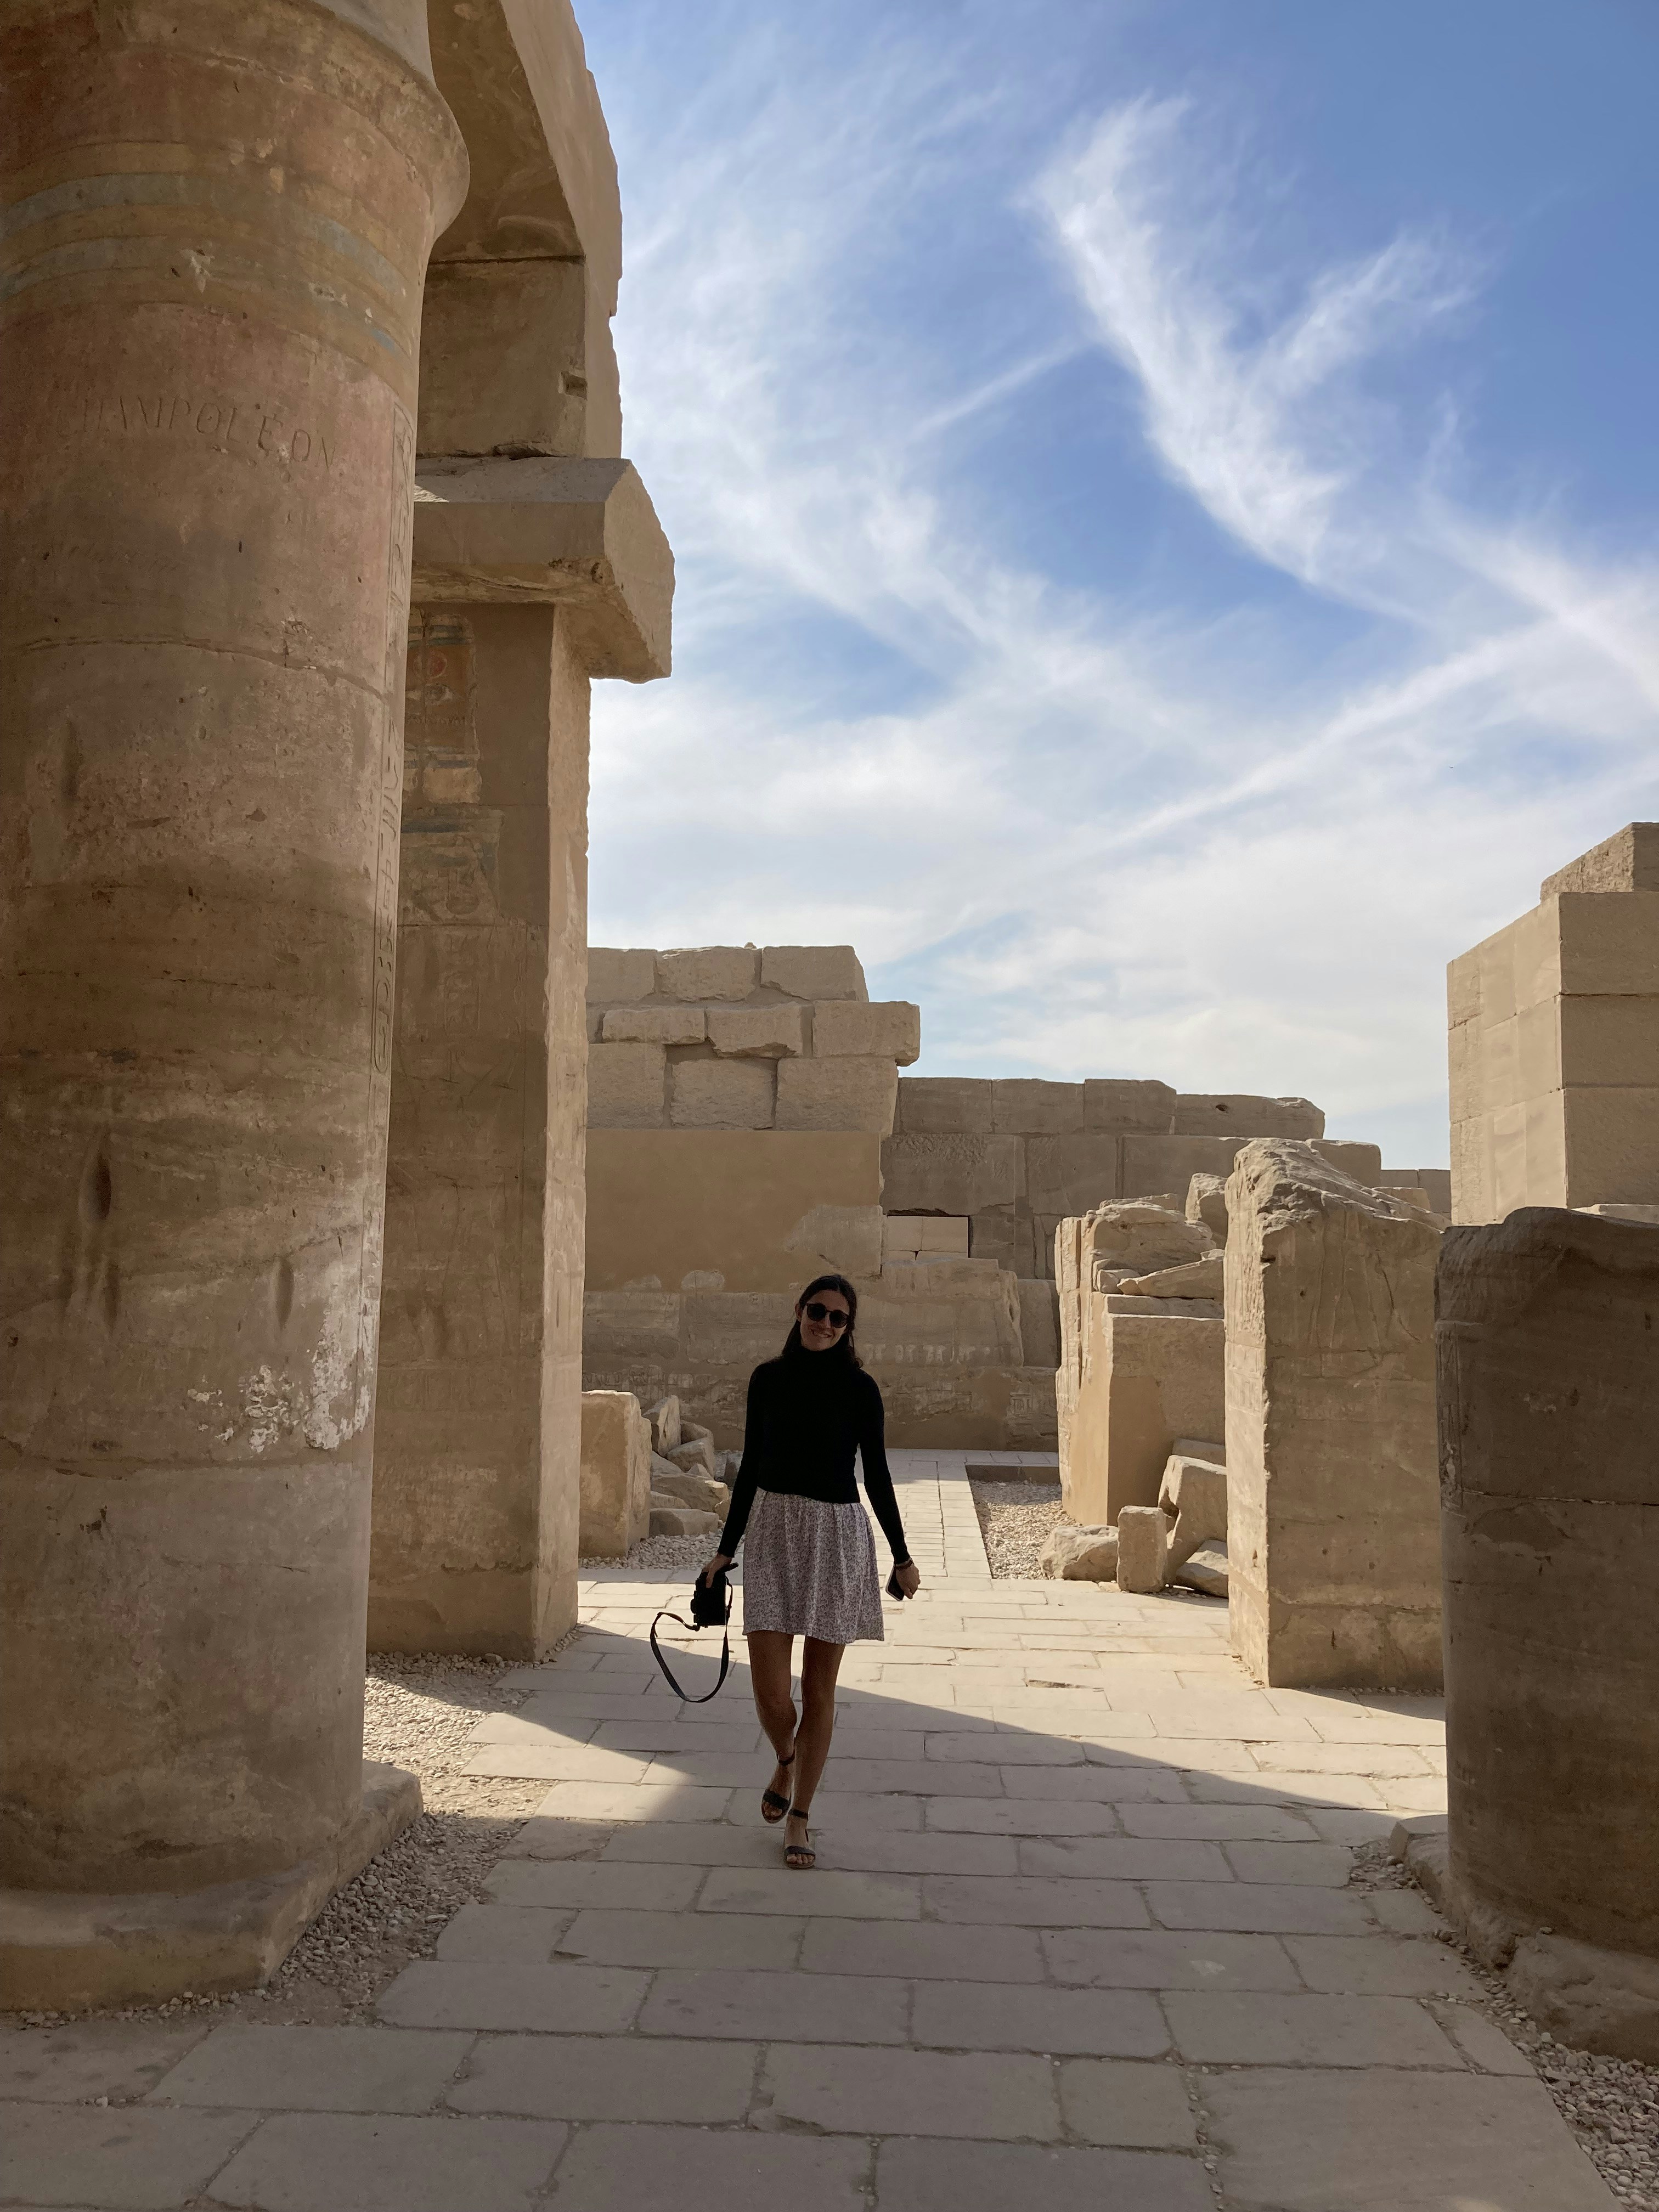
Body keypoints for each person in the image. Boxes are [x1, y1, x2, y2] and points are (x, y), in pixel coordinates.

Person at [701, 1273, 919, 1869]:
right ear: (798, 1309)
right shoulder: (767, 1380)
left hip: (836, 1537)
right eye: (817, 1311)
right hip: (773, 1533)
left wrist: (901, 1556)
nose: (825, 1323)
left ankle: (800, 1817)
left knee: (819, 1690)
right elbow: (749, 1467)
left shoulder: (860, 1389)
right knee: (772, 1692)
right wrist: (725, 1549)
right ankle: (786, 1759)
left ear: (849, 1328)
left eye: (838, 1318)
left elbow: (875, 1474)